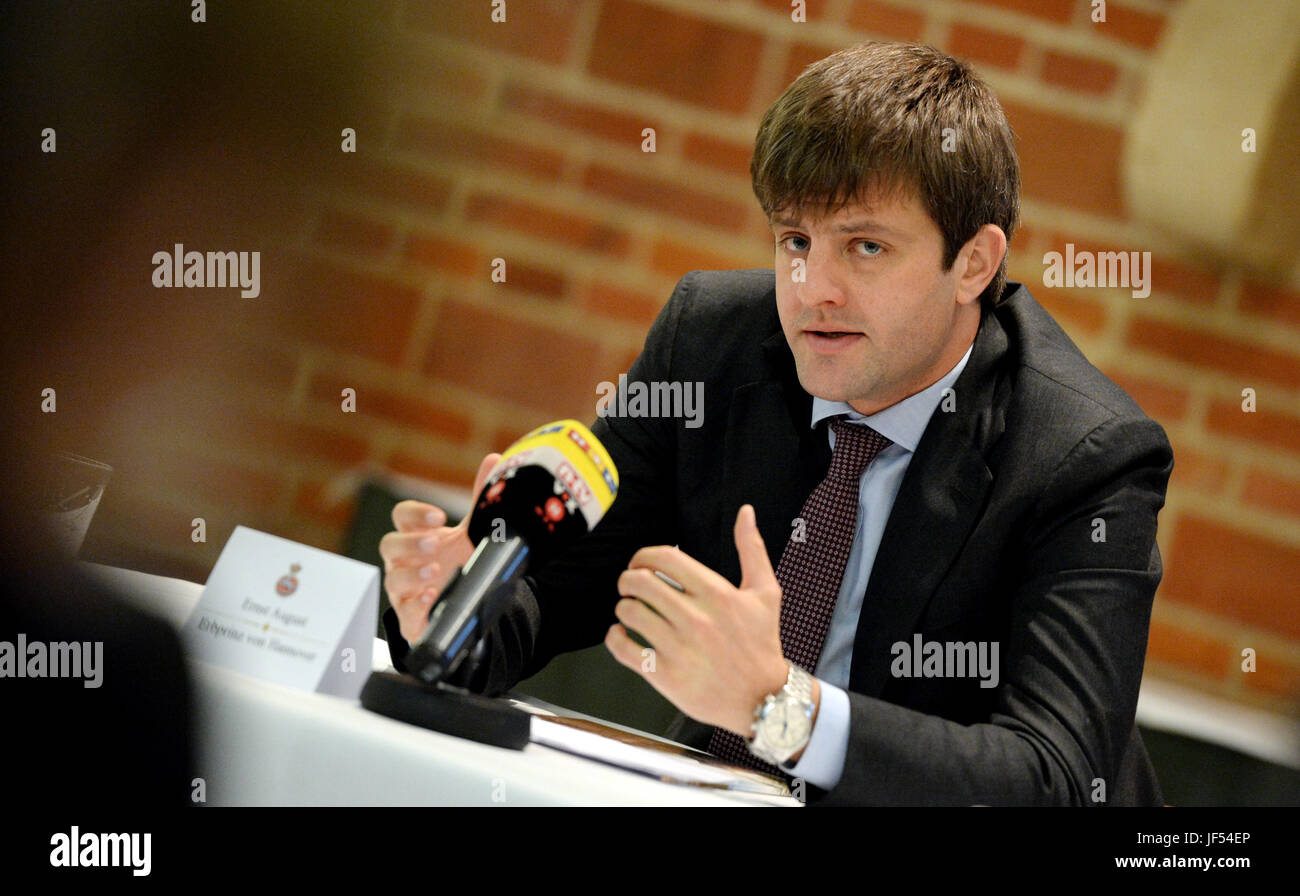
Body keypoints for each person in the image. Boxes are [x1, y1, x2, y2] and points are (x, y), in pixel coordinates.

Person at [379, 41, 1172, 806]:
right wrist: (452, 607)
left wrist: (779, 708)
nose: (812, 288)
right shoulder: (712, 346)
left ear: (974, 262)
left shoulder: (1084, 455)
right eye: (795, 239)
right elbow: (559, 595)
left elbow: (1053, 777)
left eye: (865, 246)